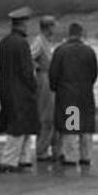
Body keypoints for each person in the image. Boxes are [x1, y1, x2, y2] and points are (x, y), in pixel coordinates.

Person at [0, 6, 40, 172]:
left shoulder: (4, 43)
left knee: (24, 126)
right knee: (18, 129)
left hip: (6, 90)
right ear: (22, 25)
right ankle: (8, 161)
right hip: (22, 92)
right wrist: (34, 87)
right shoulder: (22, 44)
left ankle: (23, 158)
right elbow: (27, 71)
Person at [49, 21, 98, 167]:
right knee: (86, 128)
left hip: (68, 96)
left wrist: (56, 88)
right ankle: (86, 157)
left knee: (71, 128)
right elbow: (94, 73)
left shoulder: (61, 51)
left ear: (69, 34)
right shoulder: (89, 51)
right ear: (81, 34)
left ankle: (70, 158)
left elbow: (53, 74)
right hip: (85, 96)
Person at [32, 15, 58, 161]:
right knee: (46, 116)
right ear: (48, 27)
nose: (55, 29)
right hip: (45, 79)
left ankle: (53, 148)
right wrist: (38, 68)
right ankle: (42, 151)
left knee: (52, 115)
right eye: (53, 26)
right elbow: (29, 56)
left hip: (50, 78)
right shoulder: (40, 41)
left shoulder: (46, 41)